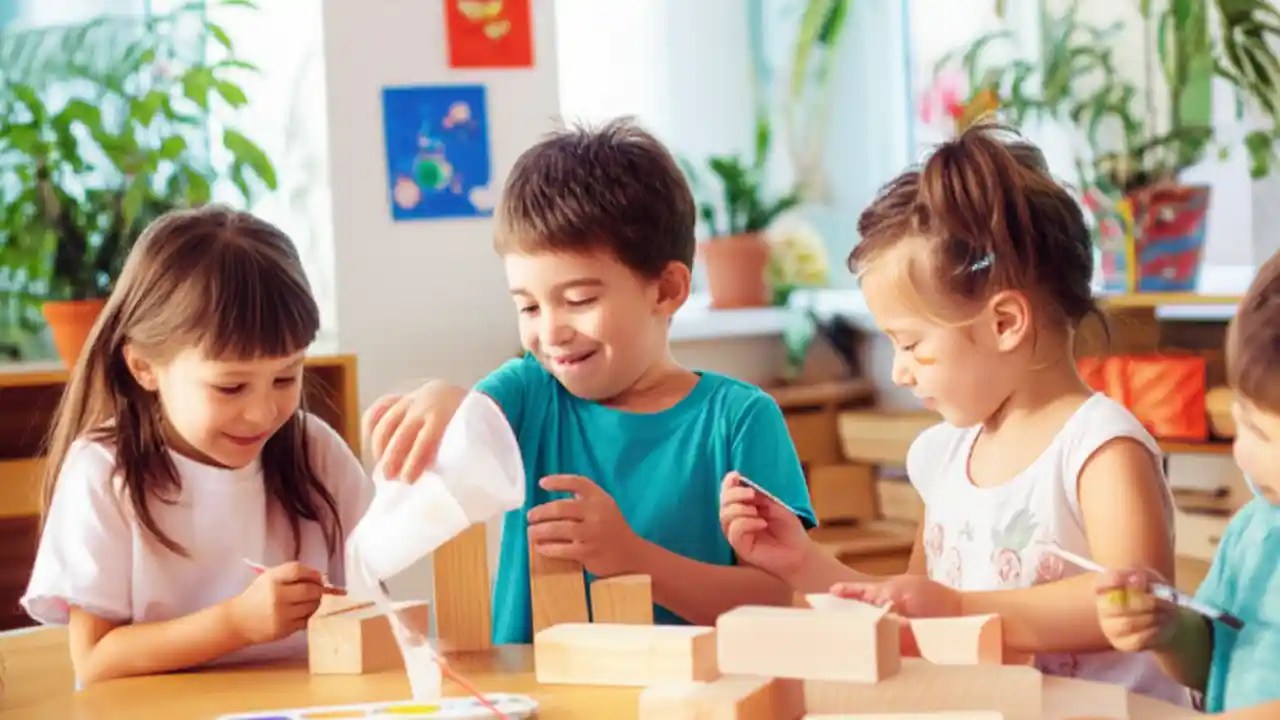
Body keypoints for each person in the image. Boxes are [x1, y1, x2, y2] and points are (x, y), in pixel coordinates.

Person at [720, 123, 1186, 704]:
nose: (898, 371)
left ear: (1005, 323)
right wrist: (805, 563)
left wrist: (962, 609)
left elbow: (1137, 602)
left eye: (912, 345)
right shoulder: (945, 455)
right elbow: (915, 608)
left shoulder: (1100, 448)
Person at [364, 118, 815, 644]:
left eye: (579, 300)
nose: (550, 331)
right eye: (528, 306)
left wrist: (633, 559)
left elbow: (778, 598)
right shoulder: (530, 393)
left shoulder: (739, 420)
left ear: (666, 290)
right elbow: (465, 426)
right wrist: (442, 399)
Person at [21, 206, 371, 685]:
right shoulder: (104, 472)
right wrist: (238, 624)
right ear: (144, 368)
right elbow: (96, 658)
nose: (263, 412)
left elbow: (378, 582)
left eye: (287, 376)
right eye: (230, 387)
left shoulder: (314, 451)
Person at [1095, 249, 1280, 716]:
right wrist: (1170, 630)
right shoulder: (1255, 531)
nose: (1242, 451)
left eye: (1261, 433)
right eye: (1242, 424)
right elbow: (1213, 662)